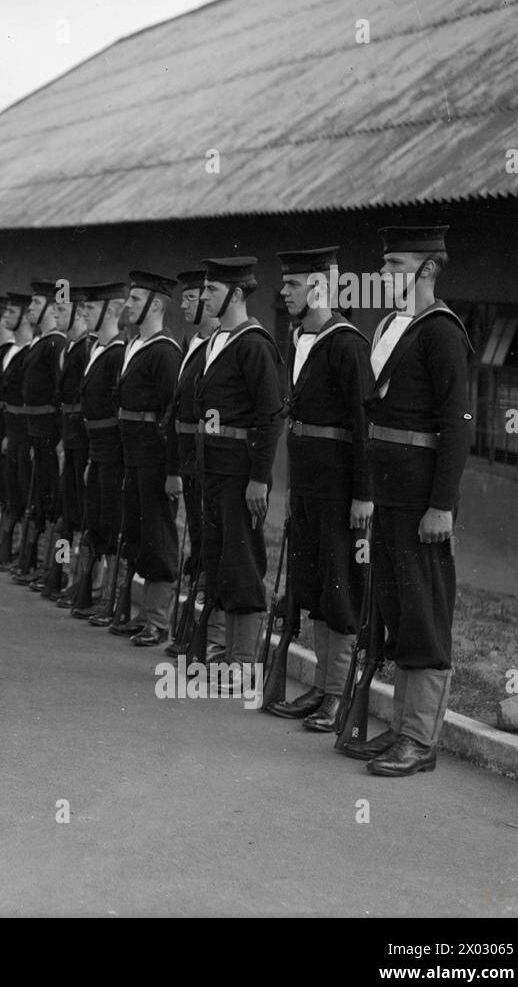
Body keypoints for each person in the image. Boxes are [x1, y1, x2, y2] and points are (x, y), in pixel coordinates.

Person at [349, 225, 471, 776]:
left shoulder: (440, 332)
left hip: (423, 498)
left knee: (423, 614)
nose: (382, 274)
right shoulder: (389, 326)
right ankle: (400, 729)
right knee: (396, 610)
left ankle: (420, 741)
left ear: (424, 270)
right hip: (390, 495)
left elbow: (458, 424)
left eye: (393, 263)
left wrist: (442, 505)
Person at [265, 247, 372, 731]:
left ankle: (337, 693)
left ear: (320, 287)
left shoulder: (347, 344)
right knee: (314, 586)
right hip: (307, 485)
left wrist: (363, 495)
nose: (283, 292)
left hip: (339, 486)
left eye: (292, 284)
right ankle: (322, 688)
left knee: (341, 586)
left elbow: (363, 424)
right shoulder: (300, 338)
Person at [195, 257, 283, 681]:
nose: (205, 296)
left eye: (212, 289)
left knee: (243, 562)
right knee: (221, 560)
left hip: (239, 472)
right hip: (214, 469)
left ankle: (245, 662)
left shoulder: (254, 343)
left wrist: (259, 478)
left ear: (235, 294)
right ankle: (230, 655)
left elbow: (270, 416)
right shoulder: (218, 341)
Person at [110, 271, 182, 645]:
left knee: (158, 534)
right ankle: (142, 615)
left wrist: (173, 470)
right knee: (138, 533)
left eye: (135, 300)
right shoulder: (133, 346)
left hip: (155, 456)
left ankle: (156, 618)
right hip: (133, 454)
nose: (127, 305)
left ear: (156, 305)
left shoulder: (165, 352)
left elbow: (173, 413)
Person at [164, 271, 226, 659]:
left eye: (193, 297)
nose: (186, 304)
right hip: (191, 459)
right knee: (200, 545)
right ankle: (195, 631)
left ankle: (213, 636)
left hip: (211, 461)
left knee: (212, 550)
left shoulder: (218, 345)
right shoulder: (193, 343)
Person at [70, 283, 129, 621]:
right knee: (97, 519)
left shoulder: (118, 352)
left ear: (111, 310)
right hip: (97, 448)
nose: (85, 313)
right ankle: (94, 592)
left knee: (112, 521)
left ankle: (110, 598)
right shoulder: (99, 349)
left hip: (113, 450)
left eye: (92, 308)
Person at [14, 280, 65, 584]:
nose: (29, 309)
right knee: (40, 501)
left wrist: (58, 439)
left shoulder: (55, 343)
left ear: (49, 307)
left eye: (35, 303)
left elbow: (60, 393)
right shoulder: (40, 342)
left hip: (50, 433)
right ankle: (42, 565)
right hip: (36, 431)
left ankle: (57, 569)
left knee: (54, 504)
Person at [46, 288, 96, 601]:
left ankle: (82, 580)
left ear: (77, 315)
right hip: (69, 435)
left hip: (83, 438)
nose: (56, 315)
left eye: (62, 311)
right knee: (68, 512)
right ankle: (63, 574)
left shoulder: (86, 348)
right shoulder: (72, 347)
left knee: (81, 514)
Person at [0, 293, 34, 572]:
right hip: (12, 430)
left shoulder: (32, 349)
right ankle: (16, 548)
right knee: (14, 491)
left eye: (12, 311)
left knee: (28, 494)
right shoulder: (10, 350)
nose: (6, 315)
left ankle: (36, 556)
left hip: (27, 432)